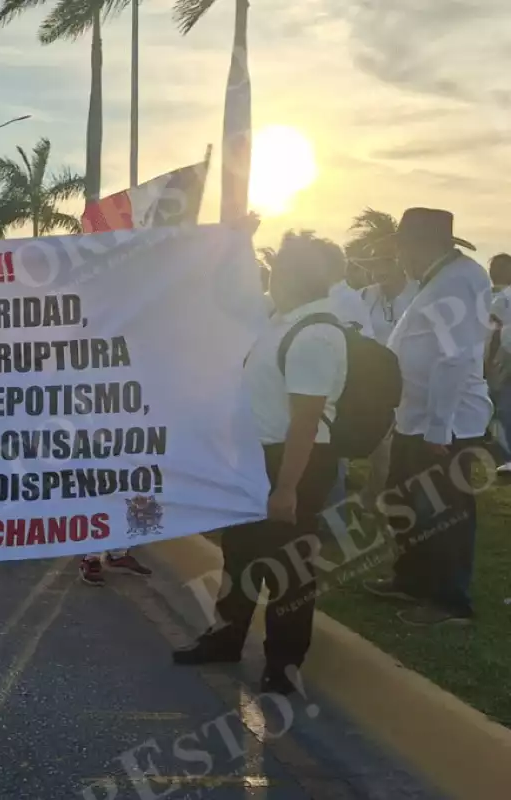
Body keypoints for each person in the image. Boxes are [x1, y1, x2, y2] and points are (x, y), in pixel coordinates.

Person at [172, 231, 347, 695]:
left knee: (289, 566)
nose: (274, 274)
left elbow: (306, 421)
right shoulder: (282, 317)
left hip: (293, 459)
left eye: (281, 267)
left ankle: (283, 663)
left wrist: (287, 487)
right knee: (242, 553)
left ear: (300, 276)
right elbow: (231, 296)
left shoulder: (315, 335)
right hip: (258, 456)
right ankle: (226, 638)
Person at [363, 209, 491, 626]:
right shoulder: (439, 278)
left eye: (401, 249)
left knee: (444, 511)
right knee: (405, 501)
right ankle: (411, 579)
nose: (399, 259)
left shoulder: (460, 280)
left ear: (420, 247)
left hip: (445, 423)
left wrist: (439, 426)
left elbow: (454, 359)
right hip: (415, 417)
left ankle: (449, 600)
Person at [357, 256, 419, 508]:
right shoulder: (363, 296)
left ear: (400, 265)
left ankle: (381, 499)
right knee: (381, 446)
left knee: (401, 446)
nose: (377, 271)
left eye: (384, 264)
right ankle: (374, 497)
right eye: (372, 266)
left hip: (412, 379)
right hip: (376, 382)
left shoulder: (419, 293)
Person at [487, 254, 511, 475]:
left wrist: (489, 362)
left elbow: (494, 332)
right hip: (504, 355)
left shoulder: (500, 298)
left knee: (502, 408)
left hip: (504, 357)